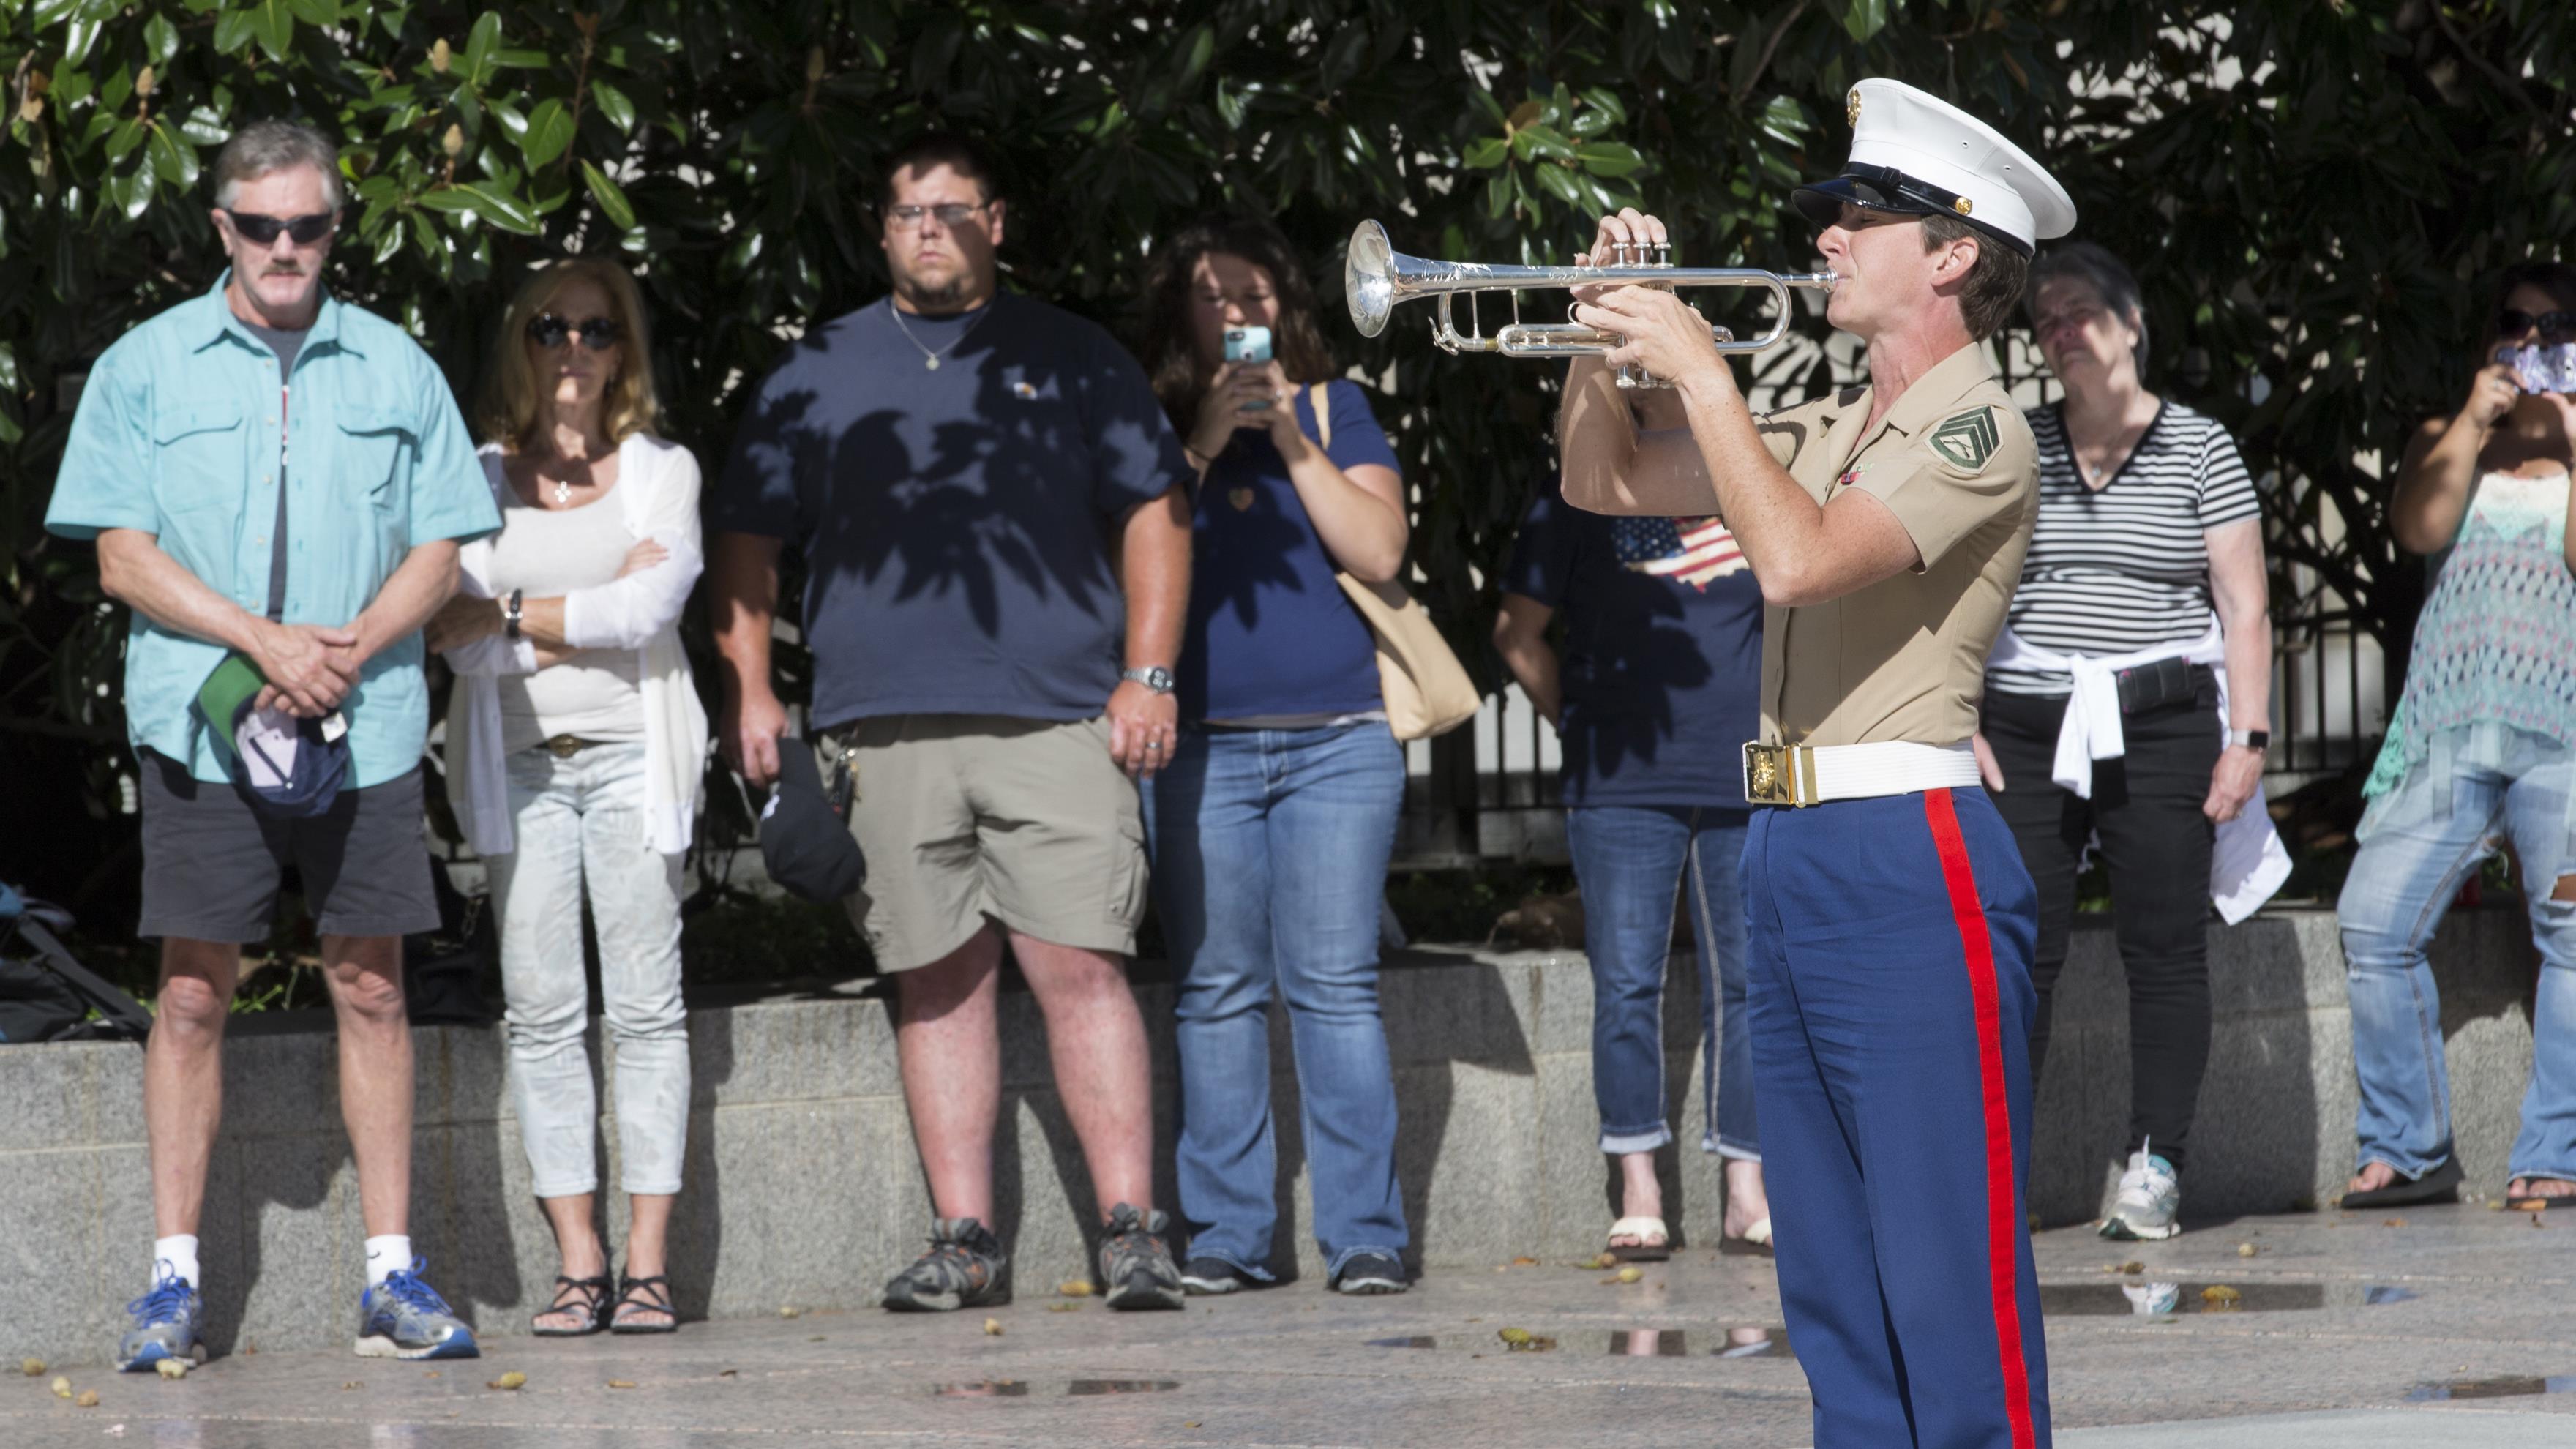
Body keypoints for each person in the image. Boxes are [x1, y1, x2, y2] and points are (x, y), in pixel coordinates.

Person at [1558, 79, 2072, 1448]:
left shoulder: (1981, 429)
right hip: (1787, 849)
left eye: (1865, 215)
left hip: (1909, 859)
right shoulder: (1837, 429)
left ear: (1953, 256)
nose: (1831, 236)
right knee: (1830, 1277)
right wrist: (1600, 332)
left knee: (1941, 1262)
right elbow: (1601, 483)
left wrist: (1705, 371)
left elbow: (1793, 560)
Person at [707, 133, 1194, 1311]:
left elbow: (1156, 513)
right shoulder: (815, 368)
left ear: (998, 223)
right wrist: (756, 691)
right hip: (882, 731)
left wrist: (1151, 675)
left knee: (1082, 970)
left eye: (954, 210)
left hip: (1057, 719)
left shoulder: (1073, 356)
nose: (931, 229)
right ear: (882, 232)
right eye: (909, 212)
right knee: (934, 982)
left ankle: (1134, 1232)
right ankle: (964, 1238)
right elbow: (744, 550)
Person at [44, 120, 499, 1367]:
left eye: (309, 225)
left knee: (373, 984)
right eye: (261, 226)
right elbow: (121, 556)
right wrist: (263, 642)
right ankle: (172, 1282)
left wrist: (342, 649)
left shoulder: (397, 367)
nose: (286, 247)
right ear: (222, 229)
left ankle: (393, 1276)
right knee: (192, 991)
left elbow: (442, 548)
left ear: (336, 230)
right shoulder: (149, 365)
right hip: (204, 723)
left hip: (372, 718)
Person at [1969, 241, 2282, 1241]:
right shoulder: (2018, 443)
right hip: (2027, 718)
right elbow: (1966, 595)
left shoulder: (2200, 445)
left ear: (2131, 322)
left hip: (2162, 717)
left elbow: (2246, 609)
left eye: (2080, 313)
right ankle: (1992, 1172)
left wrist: (2250, 738)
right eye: (2046, 320)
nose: (2061, 333)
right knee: (2020, 948)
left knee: (2164, 945)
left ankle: (2156, 1164)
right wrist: (1961, 719)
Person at [425, 258, 707, 1335]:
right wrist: (569, 607)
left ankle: (647, 1265)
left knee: (646, 1010)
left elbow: (653, 611)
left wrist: (511, 613)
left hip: (639, 755)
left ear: (624, 347)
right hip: (522, 770)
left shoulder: (660, 470)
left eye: (597, 330)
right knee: (542, 1015)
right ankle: (578, 1261)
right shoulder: (477, 475)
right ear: (523, 344)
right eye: (553, 329)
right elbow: (454, 640)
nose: (575, 349)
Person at [1134, 216, 1413, 1297]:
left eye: (1257, 295)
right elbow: (1129, 563)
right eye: (1216, 296)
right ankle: (1227, 1237)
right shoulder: (1153, 425)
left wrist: (1295, 439)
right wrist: (1203, 440)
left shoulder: (1340, 411)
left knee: (1336, 990)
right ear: (1183, 315)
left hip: (1338, 749)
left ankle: (1365, 1235)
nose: (1240, 313)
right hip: (1198, 750)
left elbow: (1381, 549)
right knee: (1214, 992)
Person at [2338, 262, 2576, 1213]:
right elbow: (2420, 525)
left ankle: (2556, 1150)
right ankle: (2411, 1147)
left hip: (2563, 742)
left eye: (2557, 326)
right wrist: (2477, 420)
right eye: (2515, 326)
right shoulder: (2449, 441)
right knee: (2372, 924)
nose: (2532, 340)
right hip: (2446, 735)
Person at [1494, 477, 1773, 1258]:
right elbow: (1517, 634)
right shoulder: (1580, 496)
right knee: (1625, 984)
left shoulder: (1754, 482)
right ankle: (1637, 1188)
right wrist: (1583, 726)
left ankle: (1746, 1190)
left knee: (1751, 984)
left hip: (1749, 774)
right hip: (1620, 781)